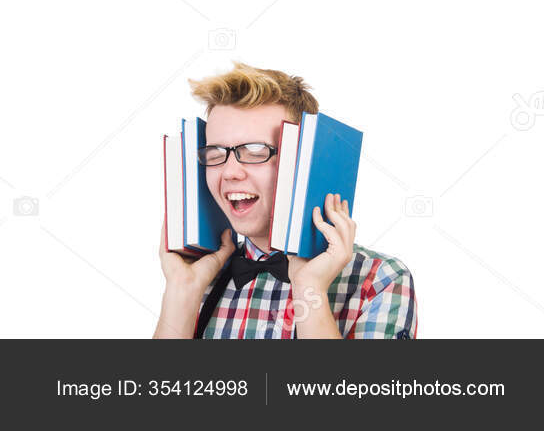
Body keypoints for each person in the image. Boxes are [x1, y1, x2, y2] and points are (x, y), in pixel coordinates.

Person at [153, 63, 416, 339]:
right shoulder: (198, 278)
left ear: (302, 159)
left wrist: (310, 288)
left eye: (255, 150)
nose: (229, 172)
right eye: (216, 152)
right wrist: (182, 292)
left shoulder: (380, 280)